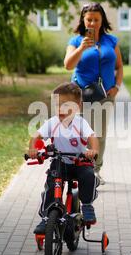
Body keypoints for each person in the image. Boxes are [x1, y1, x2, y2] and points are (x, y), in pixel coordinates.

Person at [28, 82, 100, 235]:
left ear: (77, 107)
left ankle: (87, 205)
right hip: (60, 163)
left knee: (88, 176)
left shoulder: (81, 123)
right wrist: (33, 149)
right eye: (57, 105)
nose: (60, 109)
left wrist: (92, 150)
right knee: (51, 185)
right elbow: (37, 136)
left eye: (66, 105)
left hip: (79, 161)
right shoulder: (52, 123)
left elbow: (92, 137)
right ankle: (47, 217)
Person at [64, 2, 123, 185]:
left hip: (105, 95)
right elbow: (68, 65)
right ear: (83, 20)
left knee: (99, 135)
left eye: (96, 19)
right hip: (80, 95)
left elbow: (119, 66)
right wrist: (82, 48)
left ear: (102, 20)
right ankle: (79, 170)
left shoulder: (111, 41)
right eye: (89, 19)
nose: (92, 23)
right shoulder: (75, 41)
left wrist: (117, 87)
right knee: (80, 134)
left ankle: (95, 171)